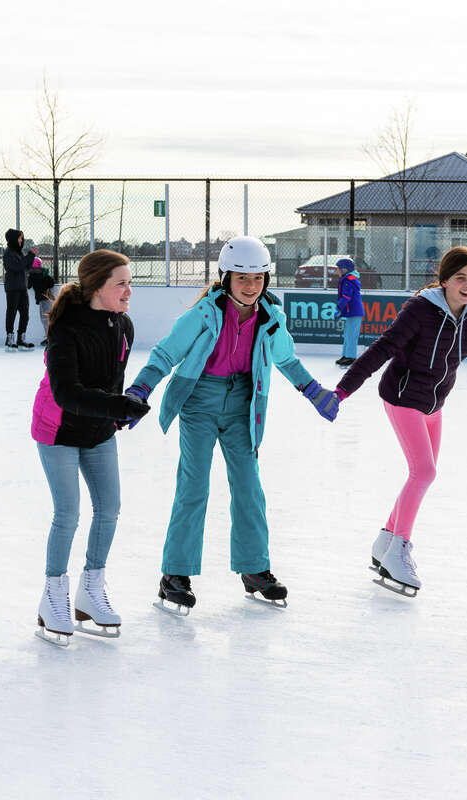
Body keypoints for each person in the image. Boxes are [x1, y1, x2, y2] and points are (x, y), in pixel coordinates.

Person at [125, 235, 340, 614]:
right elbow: (166, 353)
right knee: (194, 485)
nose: (250, 285)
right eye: (242, 278)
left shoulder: (270, 319)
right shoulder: (203, 314)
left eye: (258, 278)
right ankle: (175, 574)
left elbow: (287, 360)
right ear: (225, 278)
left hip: (243, 404)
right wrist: (141, 388)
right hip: (200, 402)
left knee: (249, 487)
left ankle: (254, 568)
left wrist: (313, 391)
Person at [335, 245, 467, 597]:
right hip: (402, 397)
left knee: (422, 474)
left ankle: (385, 541)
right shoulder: (421, 309)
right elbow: (384, 347)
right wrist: (343, 390)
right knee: (424, 472)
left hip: (433, 404)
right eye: (461, 278)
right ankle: (398, 550)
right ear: (444, 280)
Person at [31, 250, 151, 646]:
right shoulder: (66, 329)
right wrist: (117, 406)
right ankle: (53, 596)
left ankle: (90, 590)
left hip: (98, 431)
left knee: (109, 509)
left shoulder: (123, 326)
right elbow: (66, 393)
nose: (129, 291)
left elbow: (112, 380)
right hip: (58, 430)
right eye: (121, 284)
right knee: (68, 514)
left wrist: (119, 412)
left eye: (130, 283)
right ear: (98, 287)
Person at [3, 229, 36, 350]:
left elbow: (25, 267)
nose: (21, 240)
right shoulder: (8, 253)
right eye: (19, 238)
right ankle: (9, 338)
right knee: (12, 312)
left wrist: (31, 257)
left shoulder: (19, 253)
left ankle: (21, 338)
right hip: (13, 287)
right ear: (13, 239)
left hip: (22, 287)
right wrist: (29, 256)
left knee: (25, 314)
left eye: (22, 238)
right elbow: (17, 266)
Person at [335, 257, 364, 366]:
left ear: (344, 269)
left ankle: (351, 357)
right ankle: (346, 355)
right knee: (347, 334)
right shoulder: (347, 278)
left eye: (338, 269)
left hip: (354, 312)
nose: (337, 271)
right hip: (351, 312)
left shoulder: (349, 280)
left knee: (351, 335)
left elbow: (346, 296)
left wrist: (339, 307)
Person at [28, 256, 57, 344]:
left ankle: (50, 338)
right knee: (47, 318)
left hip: (43, 299)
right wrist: (46, 274)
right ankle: (49, 337)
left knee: (45, 319)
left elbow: (28, 286)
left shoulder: (32, 276)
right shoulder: (44, 273)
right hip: (48, 298)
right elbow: (51, 283)